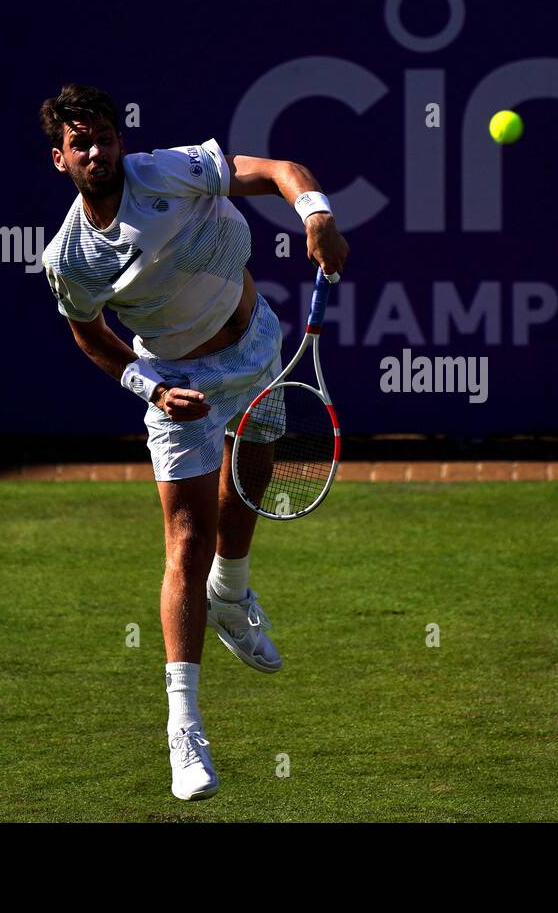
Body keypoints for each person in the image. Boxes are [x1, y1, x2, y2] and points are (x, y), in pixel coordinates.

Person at [38, 84, 349, 800]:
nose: (96, 151)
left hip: (258, 345)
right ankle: (185, 724)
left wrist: (318, 215)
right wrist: (147, 387)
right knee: (188, 537)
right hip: (179, 382)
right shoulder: (72, 257)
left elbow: (279, 169)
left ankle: (232, 596)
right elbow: (89, 335)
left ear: (119, 139)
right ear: (62, 160)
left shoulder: (168, 169)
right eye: (80, 144)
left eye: (104, 137)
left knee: (250, 481)